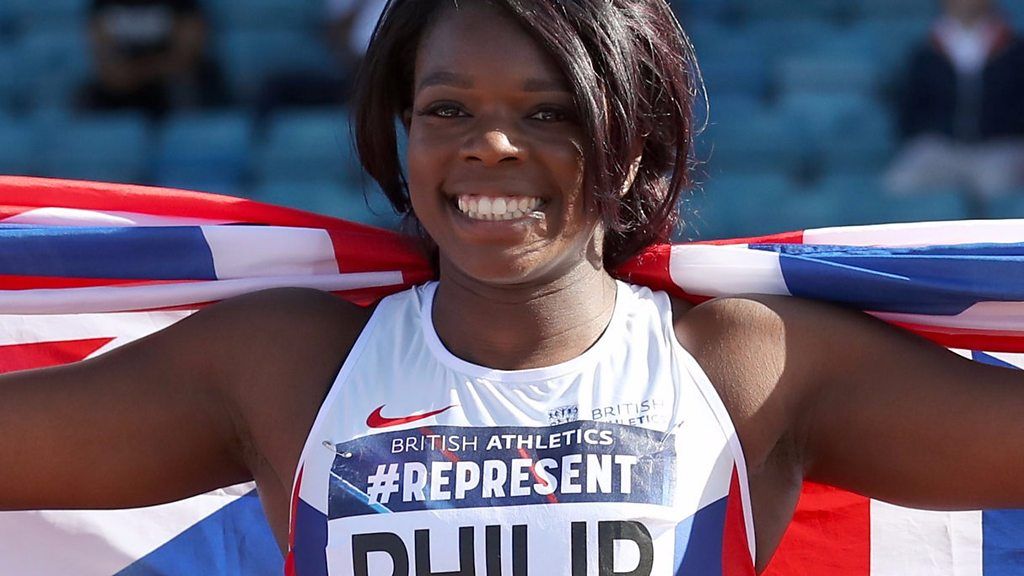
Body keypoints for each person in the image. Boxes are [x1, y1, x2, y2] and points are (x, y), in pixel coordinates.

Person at [3, 1, 1023, 574]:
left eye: (547, 115)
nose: (490, 144)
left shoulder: (746, 365)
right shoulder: (287, 368)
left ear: (630, 149)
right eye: (447, 111)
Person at [885, 0, 1024, 199]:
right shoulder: (925, 51)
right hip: (942, 147)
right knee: (901, 181)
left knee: (998, 184)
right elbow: (910, 109)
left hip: (1000, 148)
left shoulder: (1015, 49)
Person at [79, 0, 226, 118]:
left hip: (172, 81)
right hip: (124, 86)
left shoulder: (183, 4)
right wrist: (122, 75)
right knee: (88, 98)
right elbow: (104, 60)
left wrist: (138, 71)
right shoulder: (103, 4)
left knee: (187, 87)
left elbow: (187, 56)